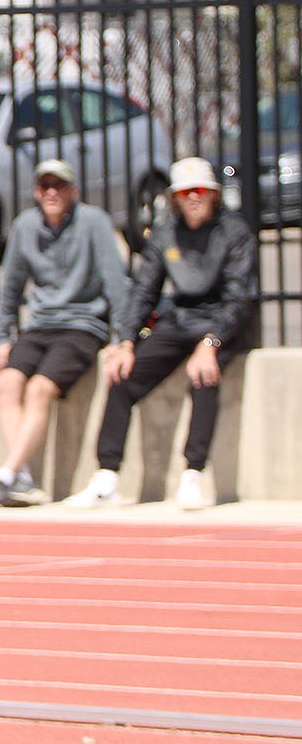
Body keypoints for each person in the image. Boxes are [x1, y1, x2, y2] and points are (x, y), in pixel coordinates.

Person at [64, 156, 258, 511]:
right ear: (175, 198)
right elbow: (143, 291)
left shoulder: (235, 232)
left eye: (200, 191)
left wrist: (210, 343)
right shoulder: (165, 233)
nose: (194, 198)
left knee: (202, 375)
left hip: (221, 326)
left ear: (213, 194)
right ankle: (107, 475)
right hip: (180, 320)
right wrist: (125, 341)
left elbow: (240, 299)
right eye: (186, 192)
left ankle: (193, 473)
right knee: (122, 376)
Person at [0, 159, 130, 508]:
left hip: (82, 325)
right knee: (8, 382)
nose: (51, 192)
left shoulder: (93, 222)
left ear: (73, 191)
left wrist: (123, 338)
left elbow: (117, 284)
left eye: (59, 186)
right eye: (44, 186)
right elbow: (10, 287)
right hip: (40, 325)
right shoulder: (25, 226)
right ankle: (24, 477)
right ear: (35, 191)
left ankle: (5, 475)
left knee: (40, 389)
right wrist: (1, 338)